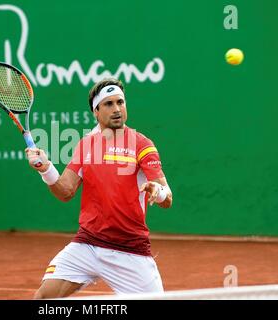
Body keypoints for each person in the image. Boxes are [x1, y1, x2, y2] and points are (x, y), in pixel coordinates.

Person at [25, 78, 173, 298]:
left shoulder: (142, 144)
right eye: (108, 104)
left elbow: (167, 198)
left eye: (120, 102)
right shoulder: (86, 144)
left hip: (130, 250)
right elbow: (66, 191)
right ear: (96, 111)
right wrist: (46, 169)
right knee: (44, 298)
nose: (117, 109)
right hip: (88, 244)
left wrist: (157, 191)